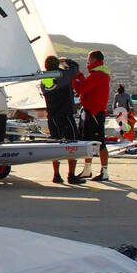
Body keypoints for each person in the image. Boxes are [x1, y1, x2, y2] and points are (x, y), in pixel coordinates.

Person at [39, 55, 85, 184]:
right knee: (72, 144)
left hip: (52, 116)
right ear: (57, 64)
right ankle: (71, 175)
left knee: (55, 143)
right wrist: (65, 61)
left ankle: (56, 175)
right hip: (66, 115)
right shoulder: (63, 75)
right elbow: (75, 67)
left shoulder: (43, 80)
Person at [72, 51, 112, 181]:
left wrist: (77, 74)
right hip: (91, 111)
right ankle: (88, 170)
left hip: (94, 112)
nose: (87, 61)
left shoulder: (98, 75)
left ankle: (104, 172)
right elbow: (83, 88)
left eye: (89, 59)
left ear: (94, 60)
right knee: (88, 142)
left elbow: (81, 88)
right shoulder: (98, 74)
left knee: (100, 142)